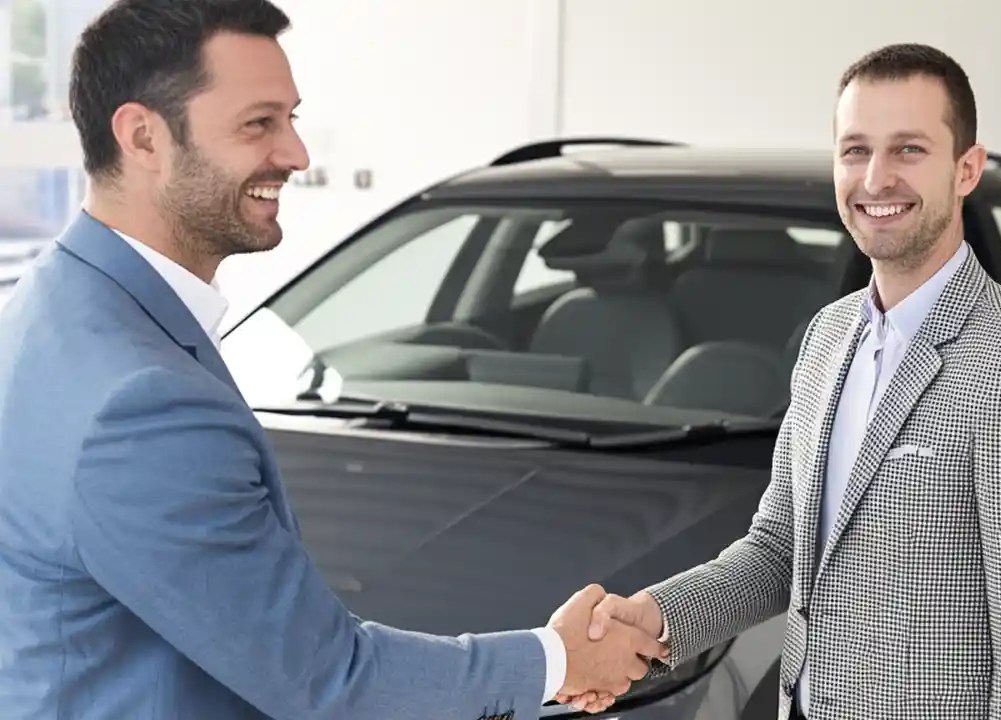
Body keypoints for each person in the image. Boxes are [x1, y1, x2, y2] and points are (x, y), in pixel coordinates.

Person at [0, 2, 665, 718]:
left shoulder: (48, 304)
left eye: (290, 118)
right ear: (143, 137)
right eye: (258, 123)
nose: (296, 154)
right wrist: (559, 660)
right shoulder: (140, 404)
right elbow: (332, 683)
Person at [569, 43, 1001, 719]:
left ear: (967, 169)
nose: (876, 178)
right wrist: (653, 618)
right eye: (855, 150)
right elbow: (778, 551)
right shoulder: (828, 336)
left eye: (908, 149)